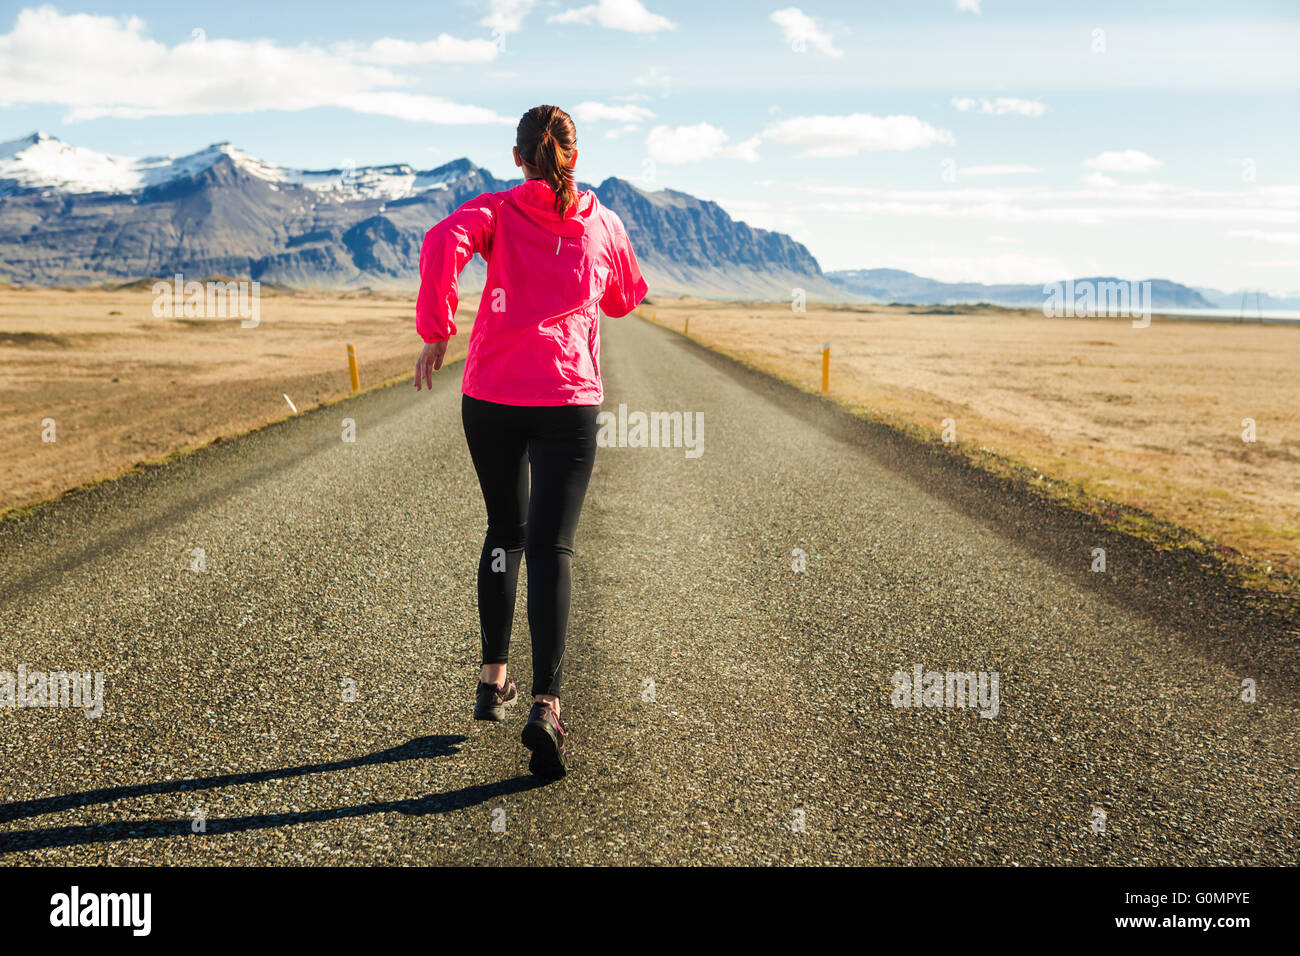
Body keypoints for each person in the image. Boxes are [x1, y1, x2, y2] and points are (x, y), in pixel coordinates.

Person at [413, 104, 648, 779]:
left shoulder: (494, 211)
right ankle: (544, 705)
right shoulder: (603, 222)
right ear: (574, 157)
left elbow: (439, 243)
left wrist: (438, 326)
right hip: (566, 401)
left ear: (517, 158)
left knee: (503, 533)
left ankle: (492, 678)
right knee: (551, 547)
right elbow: (627, 297)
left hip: (489, 397)